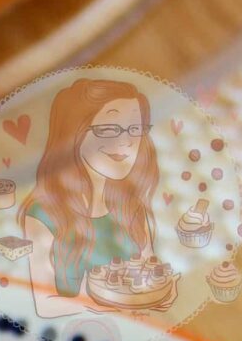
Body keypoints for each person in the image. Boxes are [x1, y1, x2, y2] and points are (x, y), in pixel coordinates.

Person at [21, 74, 163, 315]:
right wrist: (101, 305)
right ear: (75, 134)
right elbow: (43, 305)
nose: (126, 141)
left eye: (135, 129)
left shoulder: (131, 204)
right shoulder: (43, 214)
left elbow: (150, 272)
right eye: (109, 129)